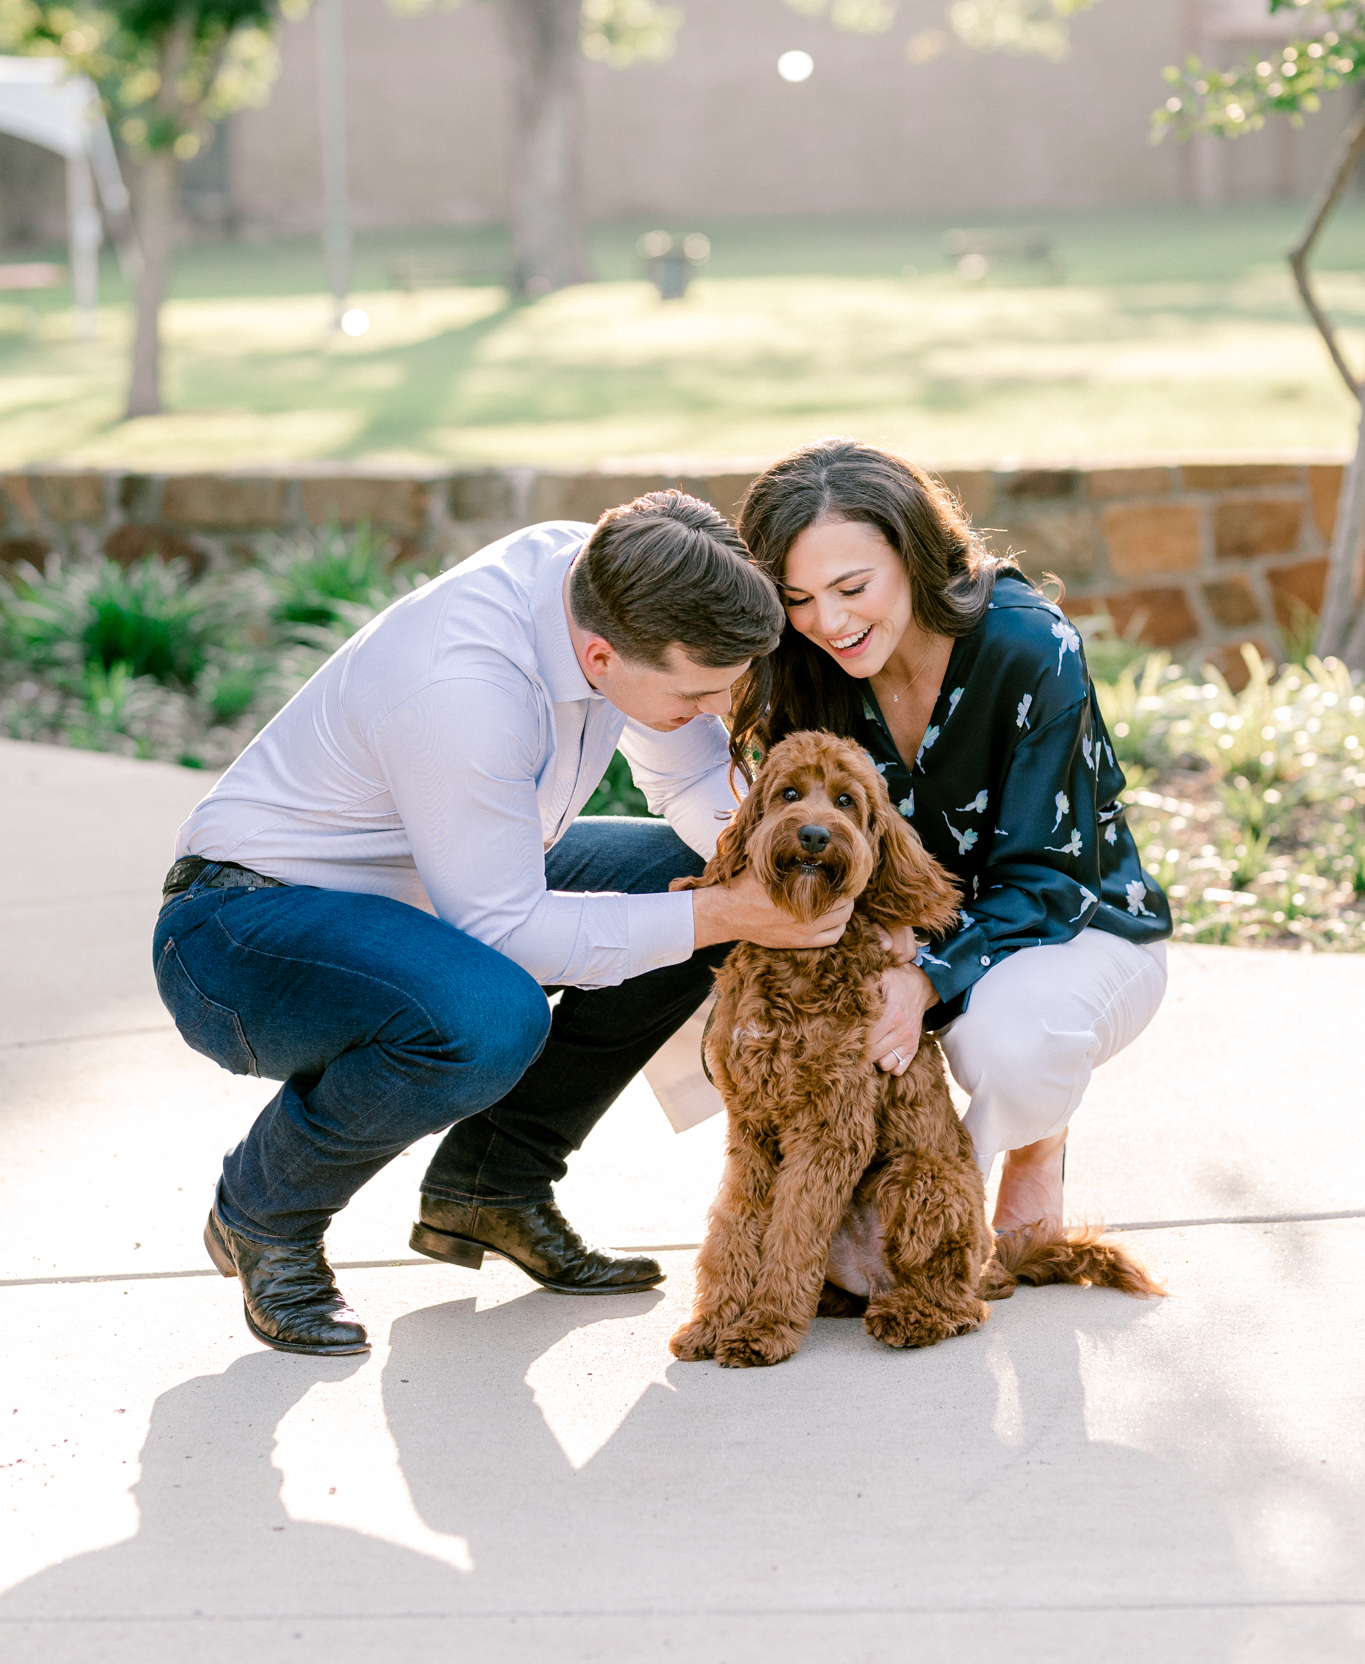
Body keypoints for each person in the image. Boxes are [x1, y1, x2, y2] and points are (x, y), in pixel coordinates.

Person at [154, 492, 867, 1357]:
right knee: (490, 1014)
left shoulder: (612, 579)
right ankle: (265, 1216)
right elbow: (503, 932)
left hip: (430, 891)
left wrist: (769, 887)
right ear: (600, 656)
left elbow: (688, 788)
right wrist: (720, 911)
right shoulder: (463, 686)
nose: (719, 711)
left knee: (678, 889)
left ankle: (494, 1187)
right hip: (244, 930)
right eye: (698, 694)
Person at [729, 438, 1172, 1243]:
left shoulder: (1033, 650)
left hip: (1067, 933)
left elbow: (1048, 880)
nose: (828, 622)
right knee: (858, 1270)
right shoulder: (802, 661)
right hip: (895, 934)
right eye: (796, 598)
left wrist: (923, 974)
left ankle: (1037, 1138)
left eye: (852, 587)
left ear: (914, 555)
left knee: (1011, 1047)